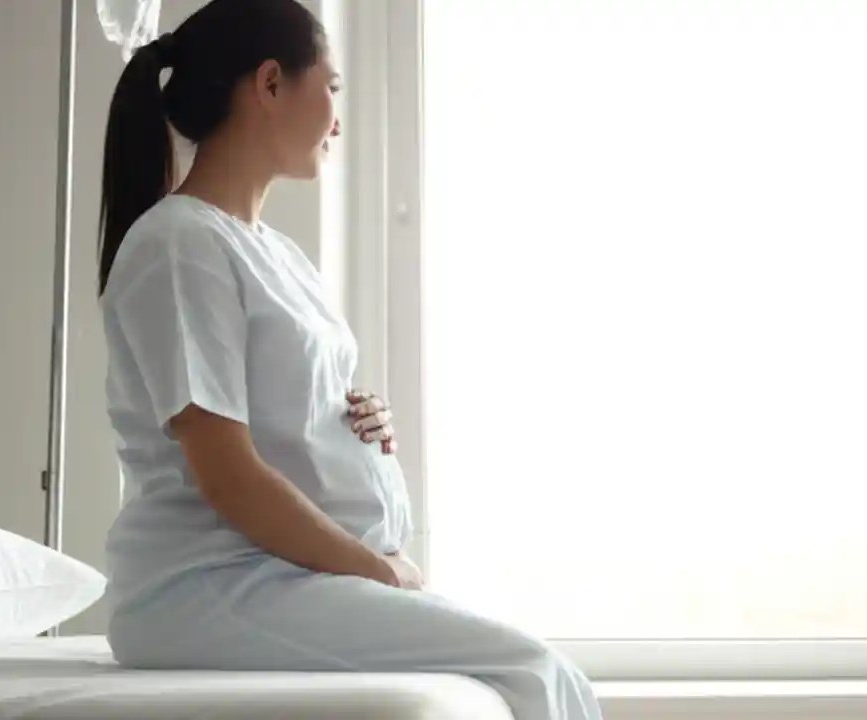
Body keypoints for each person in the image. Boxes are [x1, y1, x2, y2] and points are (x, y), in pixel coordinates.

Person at [97, 2, 601, 718]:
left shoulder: (270, 252)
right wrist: (378, 573)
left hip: (280, 573)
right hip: (209, 583)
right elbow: (228, 475)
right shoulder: (180, 244)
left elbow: (280, 411)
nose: (338, 117)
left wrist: (354, 420)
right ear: (269, 85)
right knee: (535, 670)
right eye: (330, 86)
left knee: (519, 672)